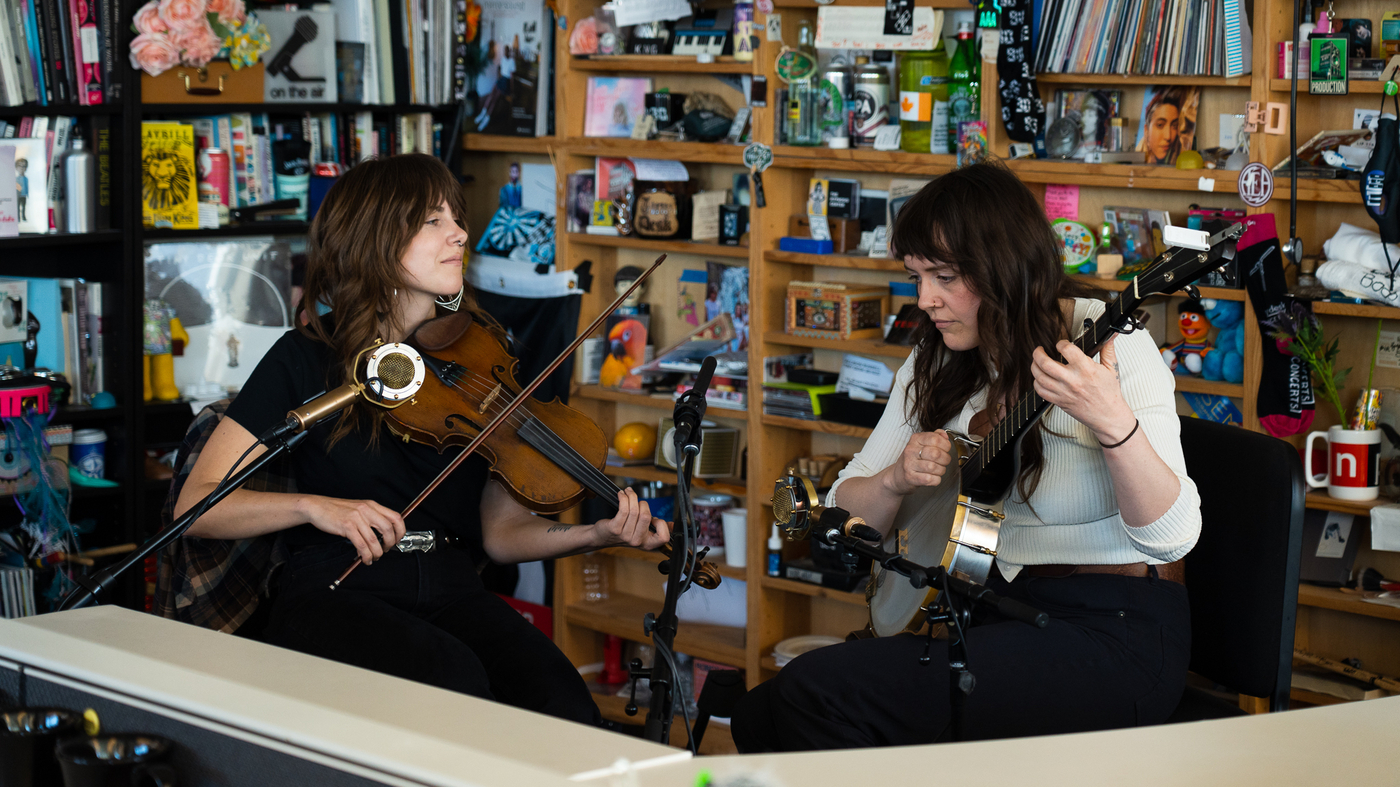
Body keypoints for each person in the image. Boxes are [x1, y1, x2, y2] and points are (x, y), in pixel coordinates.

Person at [175, 154, 670, 726]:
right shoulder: (308, 358)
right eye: (432, 220)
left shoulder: (484, 362)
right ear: (375, 237)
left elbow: (501, 534)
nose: (459, 232)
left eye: (454, 217)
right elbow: (197, 505)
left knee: (564, 708)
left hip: (450, 583)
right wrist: (315, 508)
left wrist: (596, 532)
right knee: (453, 687)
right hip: (341, 587)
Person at [731, 162, 1201, 751]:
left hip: (1113, 630)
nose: (925, 299)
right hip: (995, 608)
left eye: (945, 277)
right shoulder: (937, 358)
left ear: (1002, 267)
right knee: (759, 714)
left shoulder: (1108, 343)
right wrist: (897, 479)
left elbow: (1173, 536)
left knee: (814, 693)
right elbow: (845, 516)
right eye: (917, 276)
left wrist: (1111, 420)